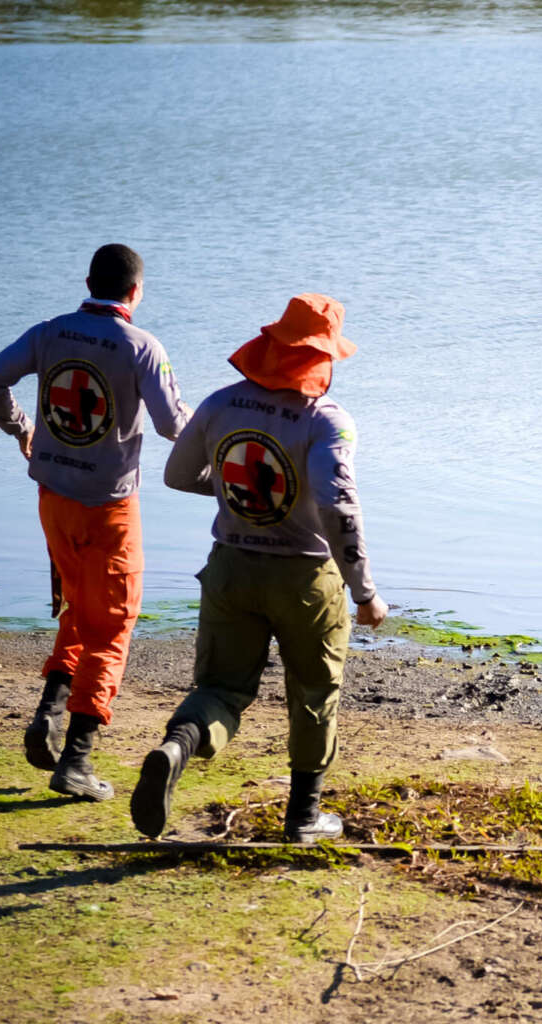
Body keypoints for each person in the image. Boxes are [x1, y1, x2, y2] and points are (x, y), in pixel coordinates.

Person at [131, 293, 389, 844]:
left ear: (270, 347)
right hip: (304, 580)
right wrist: (365, 591)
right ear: (324, 360)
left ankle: (175, 748)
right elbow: (338, 506)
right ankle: (303, 817)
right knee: (314, 694)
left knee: (221, 687)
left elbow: (178, 475)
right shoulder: (328, 422)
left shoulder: (221, 404)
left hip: (230, 568)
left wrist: (243, 495)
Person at [0, 244, 192, 801]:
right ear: (136, 293)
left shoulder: (50, 332)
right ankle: (76, 760)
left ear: (88, 280)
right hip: (109, 508)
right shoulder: (143, 346)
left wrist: (20, 426)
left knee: (80, 606)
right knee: (113, 626)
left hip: (53, 497)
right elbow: (173, 426)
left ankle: (49, 714)